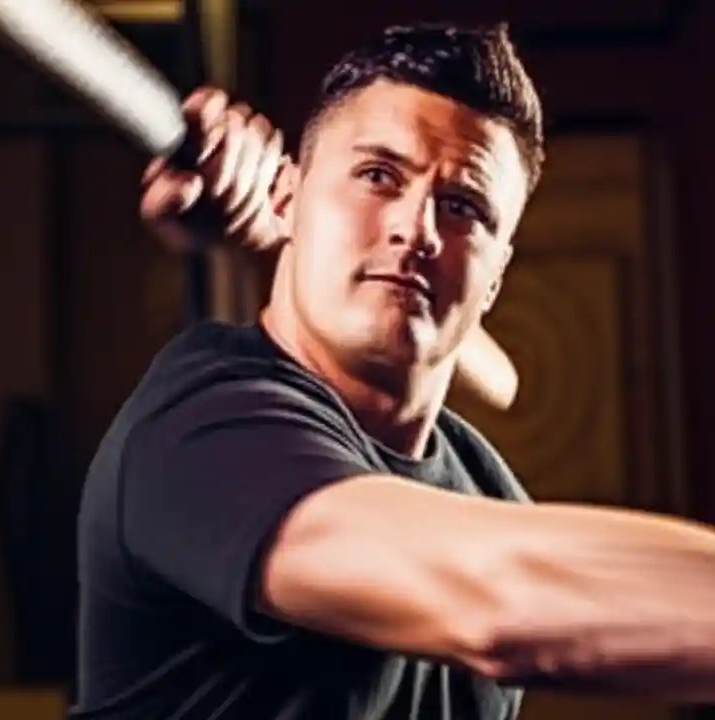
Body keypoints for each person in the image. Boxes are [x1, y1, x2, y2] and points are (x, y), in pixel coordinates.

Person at [71, 21, 715, 720]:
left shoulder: (485, 491)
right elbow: (497, 598)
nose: (418, 231)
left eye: (462, 207)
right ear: (287, 199)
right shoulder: (200, 425)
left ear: (494, 281)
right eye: (378, 175)